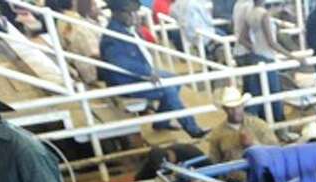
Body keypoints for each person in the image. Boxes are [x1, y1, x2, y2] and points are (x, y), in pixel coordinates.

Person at [99, 0, 206, 138]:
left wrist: (139, 32)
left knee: (175, 81)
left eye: (135, 12)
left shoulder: (127, 28)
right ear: (117, 14)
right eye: (131, 12)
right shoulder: (113, 36)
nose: (135, 15)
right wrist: (147, 72)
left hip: (139, 75)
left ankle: (161, 122)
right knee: (168, 90)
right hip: (127, 81)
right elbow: (121, 62)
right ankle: (192, 128)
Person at [243, 0, 301, 138]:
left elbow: (242, 38)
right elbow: (271, 42)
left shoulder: (250, 14)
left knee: (256, 97)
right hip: (267, 58)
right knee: (275, 95)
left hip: (255, 57)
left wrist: (255, 48)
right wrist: (292, 56)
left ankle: (255, 131)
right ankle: (282, 131)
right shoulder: (264, 15)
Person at [47, 0, 102, 85]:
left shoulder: (61, 19)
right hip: (91, 72)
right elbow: (95, 54)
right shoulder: (81, 26)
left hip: (75, 64)